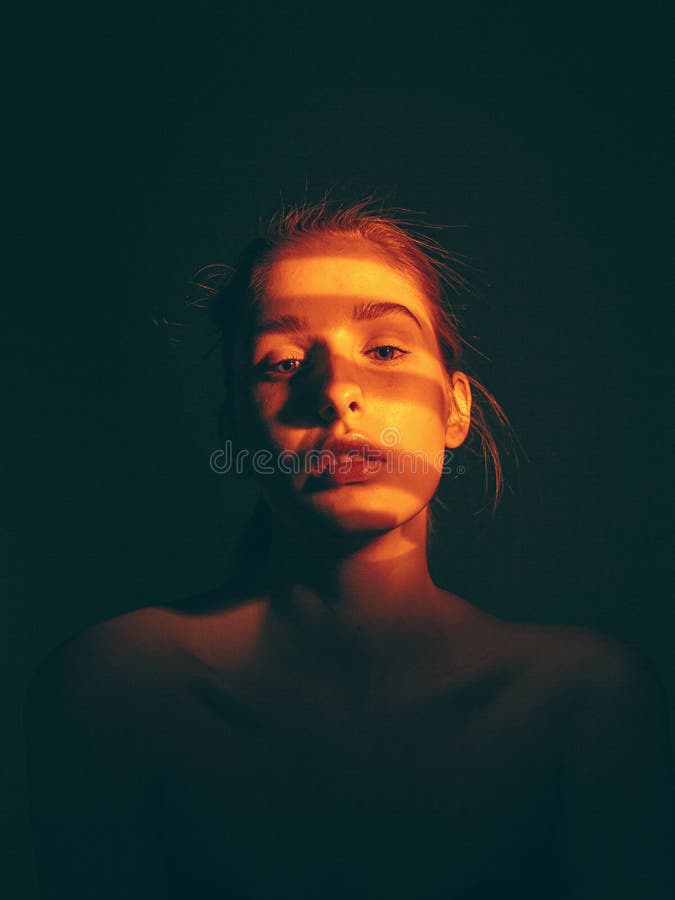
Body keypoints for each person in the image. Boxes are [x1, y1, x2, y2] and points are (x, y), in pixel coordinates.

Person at [24, 199, 675, 899]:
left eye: (386, 351)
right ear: (235, 428)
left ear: (455, 408)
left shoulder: (586, 701)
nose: (336, 393)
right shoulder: (117, 689)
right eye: (281, 362)